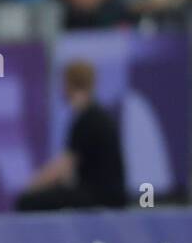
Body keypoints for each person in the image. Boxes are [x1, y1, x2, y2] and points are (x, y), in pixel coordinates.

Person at [16, 59, 127, 211]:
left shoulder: (88, 119)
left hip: (101, 196)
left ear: (69, 84)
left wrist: (31, 186)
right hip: (106, 193)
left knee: (28, 202)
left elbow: (64, 165)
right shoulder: (96, 115)